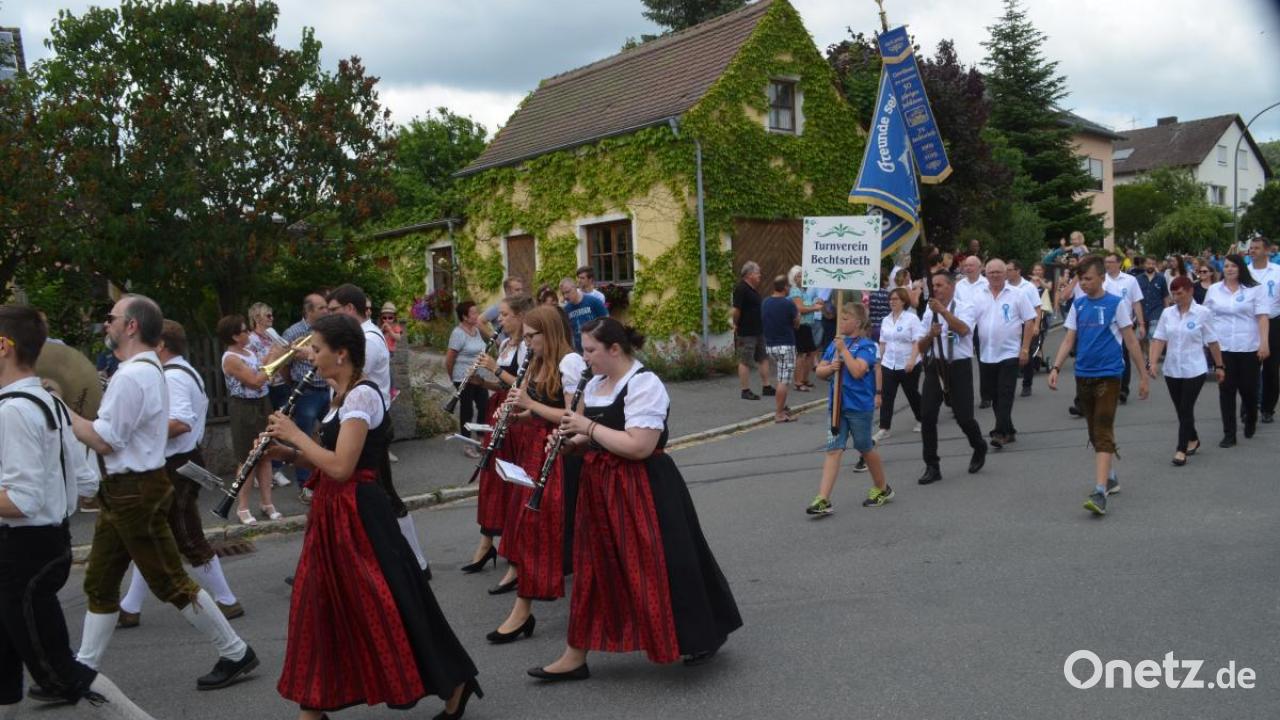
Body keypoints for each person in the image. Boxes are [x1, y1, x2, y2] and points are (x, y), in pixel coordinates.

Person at [264, 313, 481, 720]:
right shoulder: (338, 396)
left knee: (391, 603)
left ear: (341, 354)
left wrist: (295, 436)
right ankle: (314, 705)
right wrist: (287, 452)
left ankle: (454, 681)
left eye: (316, 348)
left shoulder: (363, 396)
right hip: (333, 513)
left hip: (360, 513)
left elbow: (342, 466)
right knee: (321, 604)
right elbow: (324, 458)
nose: (310, 355)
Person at [530, 318, 741, 680]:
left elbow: (639, 446)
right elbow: (591, 439)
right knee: (592, 569)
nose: (585, 358)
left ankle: (701, 634)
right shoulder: (595, 384)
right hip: (601, 488)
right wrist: (568, 445)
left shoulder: (645, 384)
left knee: (664, 566)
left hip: (643, 488)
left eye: (591, 350)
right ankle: (575, 655)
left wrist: (587, 428)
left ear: (615, 349)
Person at [68, 294, 258, 690]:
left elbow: (106, 439)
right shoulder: (143, 370)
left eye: (112, 317)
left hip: (134, 491)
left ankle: (236, 651)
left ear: (131, 325)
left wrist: (60, 410)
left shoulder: (133, 374)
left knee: (170, 581)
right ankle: (82, 670)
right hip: (125, 489)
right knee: (101, 581)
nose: (107, 324)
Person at [0, 305, 166, 719]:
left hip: (22, 555)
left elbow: (21, 502)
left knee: (59, 673)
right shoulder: (47, 402)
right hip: (42, 544)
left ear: (3, 347)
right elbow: (86, 482)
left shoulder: (11, 411)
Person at [117, 320, 242, 628]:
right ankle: (129, 607)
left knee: (185, 535)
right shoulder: (180, 371)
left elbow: (180, 422)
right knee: (151, 535)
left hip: (178, 464)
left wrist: (135, 430)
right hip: (178, 463)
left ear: (161, 345)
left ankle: (227, 601)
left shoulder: (172, 377)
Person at [486, 306, 587, 645]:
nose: (527, 343)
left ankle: (524, 609)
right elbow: (537, 413)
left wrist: (530, 403)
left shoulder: (570, 362)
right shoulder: (539, 361)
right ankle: (525, 606)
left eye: (532, 336)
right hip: (535, 451)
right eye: (525, 337)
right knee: (527, 528)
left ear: (550, 333)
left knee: (544, 532)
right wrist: (517, 416)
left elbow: (572, 417)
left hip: (562, 457)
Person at [327, 284, 429, 575]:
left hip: (369, 428)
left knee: (385, 496)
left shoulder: (368, 340)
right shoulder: (361, 337)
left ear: (349, 310)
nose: (330, 317)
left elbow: (350, 381)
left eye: (334, 311)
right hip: (357, 423)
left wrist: (323, 363)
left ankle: (418, 562)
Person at [1048, 256, 1150, 517]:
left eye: (1089, 278)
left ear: (1102, 278)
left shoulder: (1116, 304)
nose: (1084, 283)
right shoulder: (1079, 306)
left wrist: (1143, 376)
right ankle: (1111, 476)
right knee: (1094, 432)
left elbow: (1130, 341)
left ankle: (1099, 491)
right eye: (1081, 279)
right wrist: (1056, 368)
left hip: (1109, 375)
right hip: (1084, 375)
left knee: (1103, 428)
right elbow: (1069, 339)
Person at [466, 294, 533, 586]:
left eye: (505, 315)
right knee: (492, 476)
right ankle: (488, 541)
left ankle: (510, 548)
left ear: (519, 316)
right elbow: (503, 384)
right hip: (499, 408)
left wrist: (495, 369)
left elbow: (523, 385)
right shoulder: (505, 344)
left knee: (510, 477)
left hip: (518, 414)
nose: (500, 321)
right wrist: (483, 382)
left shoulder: (530, 344)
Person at [806, 302, 894, 514]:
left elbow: (857, 371)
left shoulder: (867, 346)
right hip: (836, 406)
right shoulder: (836, 343)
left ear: (857, 322)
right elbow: (819, 371)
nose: (841, 322)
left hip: (859, 406)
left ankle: (882, 488)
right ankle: (823, 499)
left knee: (864, 447)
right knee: (833, 449)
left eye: (845, 319)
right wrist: (829, 368)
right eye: (840, 318)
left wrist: (844, 351)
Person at [915, 273, 988, 486]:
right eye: (933, 285)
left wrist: (943, 312)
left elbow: (964, 329)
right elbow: (920, 347)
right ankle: (932, 465)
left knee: (963, 416)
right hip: (935, 365)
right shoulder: (928, 311)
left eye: (940, 285)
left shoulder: (965, 306)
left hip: (958, 366)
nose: (935, 289)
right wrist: (930, 335)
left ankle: (978, 445)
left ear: (951, 287)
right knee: (927, 416)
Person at [1148, 277, 1225, 466]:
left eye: (1180, 293)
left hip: (1194, 368)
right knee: (1180, 409)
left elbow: (1212, 341)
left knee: (1185, 408)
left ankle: (1180, 449)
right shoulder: (1168, 313)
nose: (1176, 297)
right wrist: (1152, 362)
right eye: (1173, 293)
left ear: (1190, 291)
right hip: (1173, 368)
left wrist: (1219, 366)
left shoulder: (1202, 313)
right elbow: (1159, 339)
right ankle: (1194, 438)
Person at [216, 314, 278, 524]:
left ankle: (267, 503)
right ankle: (242, 507)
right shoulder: (231, 359)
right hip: (244, 408)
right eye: (244, 331)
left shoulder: (248, 352)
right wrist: (274, 357)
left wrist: (275, 352)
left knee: (266, 455)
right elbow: (255, 381)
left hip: (262, 404)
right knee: (247, 458)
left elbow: (262, 367)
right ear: (234, 336)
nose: (248, 333)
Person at [1203, 254, 1270, 446]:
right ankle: (1229, 434)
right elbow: (1206, 317)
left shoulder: (1255, 289)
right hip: (1223, 348)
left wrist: (1264, 343)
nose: (1229, 269)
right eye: (1226, 266)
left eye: (1233, 266)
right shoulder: (1215, 290)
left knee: (1249, 390)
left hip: (1248, 346)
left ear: (1241, 268)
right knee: (1226, 390)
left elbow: (1262, 317)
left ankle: (1251, 418)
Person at [972, 259, 1037, 448]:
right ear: (986, 274)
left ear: (1005, 274)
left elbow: (1030, 321)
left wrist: (1024, 349)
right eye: (991, 272)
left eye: (998, 272)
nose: (994, 275)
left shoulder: (1017, 294)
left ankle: (999, 432)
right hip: (986, 354)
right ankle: (1009, 430)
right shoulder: (978, 295)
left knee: (1005, 393)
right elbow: (969, 321)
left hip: (1009, 352)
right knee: (993, 395)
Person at [281, 293, 331, 490]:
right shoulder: (293, 332)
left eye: (327, 307)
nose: (326, 311)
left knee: (330, 433)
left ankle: (329, 475)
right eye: (321, 308)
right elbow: (284, 364)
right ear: (309, 311)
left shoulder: (327, 329)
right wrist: (293, 384)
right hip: (307, 392)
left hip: (326, 390)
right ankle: (306, 485)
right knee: (303, 436)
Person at [247, 302, 292, 487]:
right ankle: (260, 471)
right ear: (257, 318)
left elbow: (284, 359)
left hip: (280, 384)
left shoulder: (273, 336)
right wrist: (273, 354)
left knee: (279, 428)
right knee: (265, 430)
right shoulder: (251, 340)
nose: (272, 319)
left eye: (272, 315)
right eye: (268, 316)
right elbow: (255, 366)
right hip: (265, 388)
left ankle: (276, 469)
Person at [875, 288, 923, 440]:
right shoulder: (886, 320)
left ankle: (922, 419)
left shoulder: (912, 318)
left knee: (912, 393)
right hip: (889, 363)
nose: (892, 302)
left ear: (903, 301)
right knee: (887, 396)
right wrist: (879, 361)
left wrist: (911, 360)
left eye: (895, 299)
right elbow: (883, 343)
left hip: (908, 363)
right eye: (890, 299)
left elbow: (917, 341)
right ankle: (884, 427)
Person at [447, 301, 490, 460]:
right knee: (467, 411)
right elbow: (449, 359)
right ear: (464, 316)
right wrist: (454, 379)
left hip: (479, 378)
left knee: (484, 406)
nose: (477, 315)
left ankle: (481, 439)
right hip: (463, 378)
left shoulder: (476, 330)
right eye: (473, 313)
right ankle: (467, 444)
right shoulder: (457, 333)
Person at [1247, 236, 1280, 424]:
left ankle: (1268, 408)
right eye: (1251, 248)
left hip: (1273, 322)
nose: (1252, 251)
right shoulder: (1244, 272)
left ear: (1267, 250)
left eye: (1256, 248)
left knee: (1271, 370)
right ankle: (1248, 407)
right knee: (1248, 369)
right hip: (1249, 323)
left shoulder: (1277, 272)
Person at [731, 261, 772, 400]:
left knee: (763, 357)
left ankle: (766, 386)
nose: (760, 275)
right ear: (749, 274)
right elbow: (736, 310)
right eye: (757, 272)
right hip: (746, 331)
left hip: (758, 330)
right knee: (745, 360)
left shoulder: (752, 289)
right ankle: (745, 390)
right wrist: (736, 324)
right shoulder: (741, 289)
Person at [761, 276, 798, 423]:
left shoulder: (765, 302)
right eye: (788, 286)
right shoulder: (788, 304)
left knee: (780, 377)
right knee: (784, 380)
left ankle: (782, 407)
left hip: (770, 345)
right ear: (784, 288)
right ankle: (779, 414)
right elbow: (796, 323)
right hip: (786, 345)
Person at [955, 256, 990, 407]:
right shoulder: (959, 285)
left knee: (983, 360)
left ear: (980, 267)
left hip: (981, 325)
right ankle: (958, 398)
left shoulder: (987, 283)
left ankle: (986, 396)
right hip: (962, 326)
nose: (968, 268)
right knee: (958, 360)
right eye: (966, 266)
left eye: (971, 266)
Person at [788, 266, 822, 391]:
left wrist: (815, 303)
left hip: (807, 325)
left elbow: (807, 305)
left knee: (811, 352)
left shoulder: (803, 291)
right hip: (800, 325)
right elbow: (799, 309)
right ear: (793, 278)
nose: (801, 278)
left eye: (802, 275)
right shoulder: (795, 291)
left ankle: (804, 379)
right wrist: (815, 308)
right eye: (798, 276)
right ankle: (798, 382)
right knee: (801, 354)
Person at [559, 278, 608, 353]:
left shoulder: (593, 302)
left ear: (575, 288)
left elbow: (607, 322)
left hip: (597, 350)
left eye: (567, 292)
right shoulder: (566, 310)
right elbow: (568, 332)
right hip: (579, 352)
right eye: (563, 293)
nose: (565, 296)